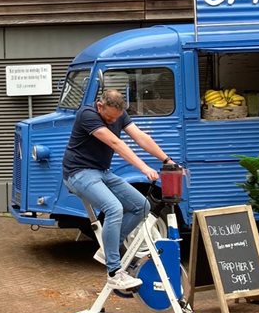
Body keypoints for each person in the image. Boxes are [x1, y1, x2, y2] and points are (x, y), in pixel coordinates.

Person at [62, 88, 175, 291]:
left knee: (141, 206)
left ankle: (108, 250)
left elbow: (140, 137)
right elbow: (115, 142)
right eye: (109, 117)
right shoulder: (87, 114)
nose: (113, 121)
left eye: (117, 118)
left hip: (102, 172)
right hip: (78, 173)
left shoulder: (119, 115)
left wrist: (166, 160)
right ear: (100, 106)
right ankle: (114, 273)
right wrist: (143, 167)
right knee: (114, 208)